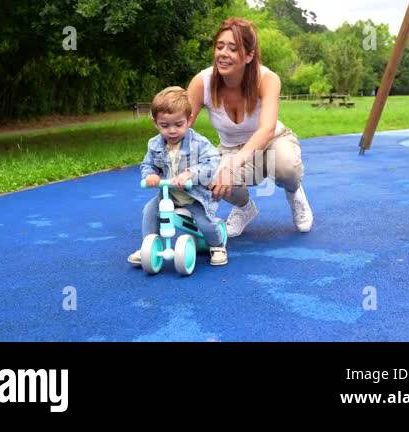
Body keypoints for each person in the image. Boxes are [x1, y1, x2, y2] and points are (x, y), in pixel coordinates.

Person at [187, 17, 313, 238]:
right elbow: (182, 125)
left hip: (272, 142)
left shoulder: (267, 79)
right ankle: (244, 208)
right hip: (231, 148)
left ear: (249, 55)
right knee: (208, 175)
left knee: (287, 168)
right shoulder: (202, 82)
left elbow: (266, 129)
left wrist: (231, 166)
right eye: (219, 46)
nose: (223, 53)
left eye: (233, 48)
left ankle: (294, 193)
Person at [127, 86, 228, 266]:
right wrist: (150, 175)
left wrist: (190, 173)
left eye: (178, 124)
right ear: (156, 123)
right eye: (164, 125)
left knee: (203, 222)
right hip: (169, 194)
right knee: (149, 212)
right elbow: (147, 164)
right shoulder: (154, 144)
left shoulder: (199, 143)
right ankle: (149, 246)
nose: (172, 130)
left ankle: (217, 245)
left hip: (194, 195)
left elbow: (213, 160)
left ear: (189, 121)